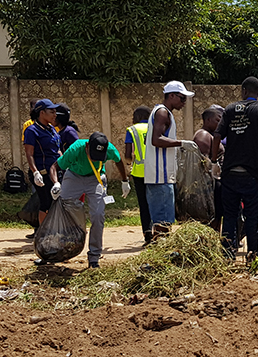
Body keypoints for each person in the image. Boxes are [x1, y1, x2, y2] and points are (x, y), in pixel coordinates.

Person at [212, 76, 258, 260]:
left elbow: (217, 136)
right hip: (251, 175)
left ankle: (227, 254)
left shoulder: (230, 109)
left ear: (243, 90)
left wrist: (213, 163)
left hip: (230, 174)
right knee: (252, 217)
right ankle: (252, 254)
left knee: (230, 215)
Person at [51, 132, 130, 269]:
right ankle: (58, 250)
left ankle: (94, 256)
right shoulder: (76, 148)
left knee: (98, 215)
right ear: (87, 146)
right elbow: (54, 167)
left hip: (96, 179)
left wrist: (125, 181)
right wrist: (56, 183)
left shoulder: (110, 148)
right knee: (64, 211)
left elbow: (118, 161)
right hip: (74, 176)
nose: (95, 159)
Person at [145, 80, 194, 235]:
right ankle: (162, 249)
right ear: (171, 96)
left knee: (160, 218)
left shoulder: (162, 112)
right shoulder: (162, 112)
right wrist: (181, 143)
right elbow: (156, 140)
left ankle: (160, 245)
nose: (184, 102)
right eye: (182, 98)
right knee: (163, 219)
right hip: (161, 175)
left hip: (159, 174)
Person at [23, 99, 61, 227]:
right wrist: (35, 172)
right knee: (46, 202)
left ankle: (54, 230)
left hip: (56, 171)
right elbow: (29, 153)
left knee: (57, 202)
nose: (55, 114)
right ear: (42, 113)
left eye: (55, 111)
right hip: (43, 172)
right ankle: (43, 234)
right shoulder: (32, 130)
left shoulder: (51, 129)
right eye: (52, 111)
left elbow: (57, 149)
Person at [193, 105, 224, 232]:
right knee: (212, 217)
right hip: (210, 184)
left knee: (217, 216)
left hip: (216, 181)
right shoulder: (203, 136)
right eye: (218, 120)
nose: (220, 123)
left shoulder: (212, 135)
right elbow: (203, 163)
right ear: (207, 120)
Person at [124, 106, 152, 243]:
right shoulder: (157, 127)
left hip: (139, 173)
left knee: (144, 204)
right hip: (156, 171)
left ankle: (147, 234)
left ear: (136, 117)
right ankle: (159, 234)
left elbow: (128, 155)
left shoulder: (132, 130)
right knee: (156, 202)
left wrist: (131, 162)